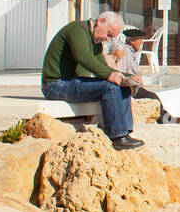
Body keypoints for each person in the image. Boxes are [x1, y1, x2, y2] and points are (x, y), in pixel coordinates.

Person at [41, 11, 143, 150]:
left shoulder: (96, 40)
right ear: (100, 21)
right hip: (55, 84)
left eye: (111, 37)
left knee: (122, 85)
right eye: (108, 34)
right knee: (110, 87)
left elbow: (102, 67)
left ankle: (125, 132)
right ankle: (117, 137)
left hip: (73, 81)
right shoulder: (77, 29)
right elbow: (84, 58)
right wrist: (111, 75)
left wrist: (126, 77)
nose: (107, 39)